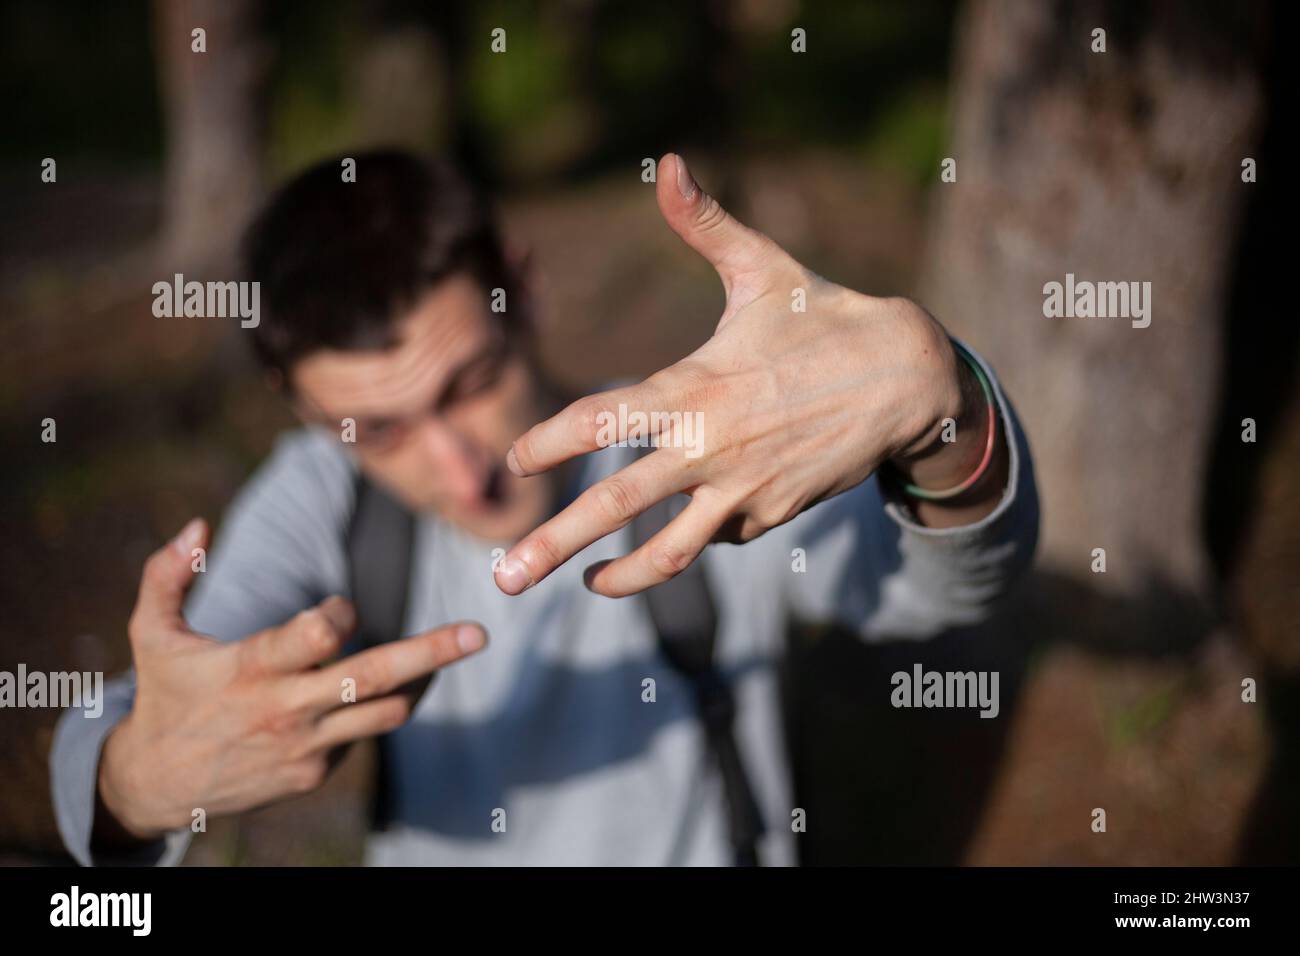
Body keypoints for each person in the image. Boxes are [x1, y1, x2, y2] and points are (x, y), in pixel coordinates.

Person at [50, 150, 1038, 866]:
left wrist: (946, 419)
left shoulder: (690, 442)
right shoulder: (317, 492)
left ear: (519, 292)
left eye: (469, 382)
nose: (460, 467)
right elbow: (152, 708)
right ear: (303, 411)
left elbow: (941, 592)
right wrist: (132, 779)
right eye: (377, 430)